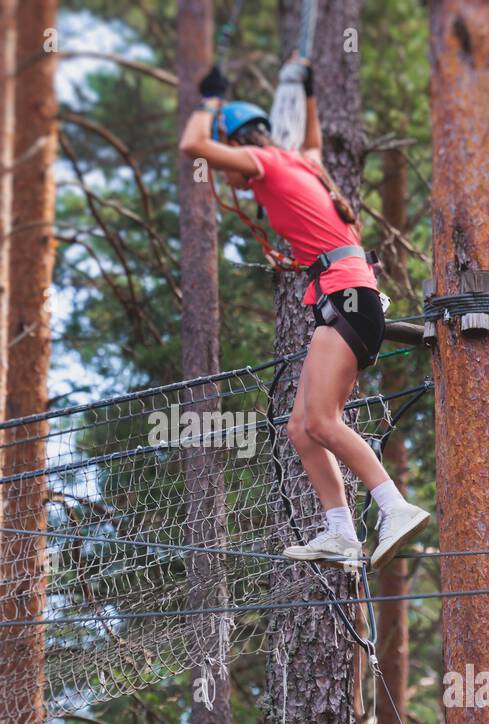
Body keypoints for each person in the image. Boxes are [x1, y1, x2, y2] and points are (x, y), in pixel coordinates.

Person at [178, 61, 430, 569]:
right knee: (300, 426)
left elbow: (193, 147)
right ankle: (339, 532)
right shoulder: (304, 162)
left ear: (239, 145)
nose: (231, 176)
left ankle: (394, 507)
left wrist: (208, 102)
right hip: (346, 299)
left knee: (320, 419)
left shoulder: (264, 162)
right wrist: (310, 95)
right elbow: (313, 140)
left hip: (348, 297)